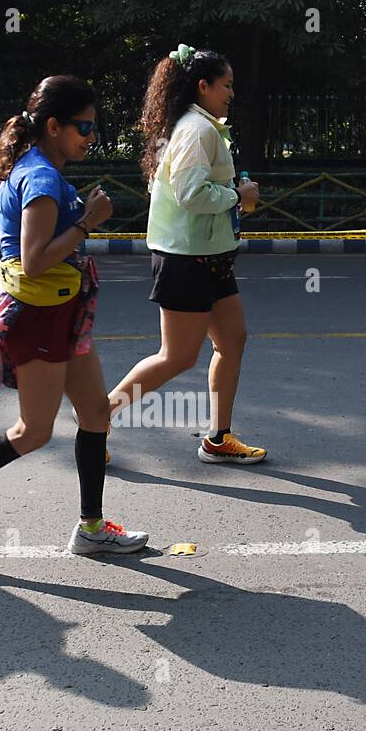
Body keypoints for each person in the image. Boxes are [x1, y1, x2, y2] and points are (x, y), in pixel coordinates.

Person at [0, 75, 148, 555]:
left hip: (61, 308)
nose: (91, 137)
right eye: (84, 127)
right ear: (53, 126)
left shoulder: (30, 168)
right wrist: (85, 222)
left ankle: (91, 528)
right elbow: (34, 259)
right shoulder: (39, 176)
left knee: (96, 413)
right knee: (33, 432)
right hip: (38, 313)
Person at [105, 44, 265, 465]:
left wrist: (234, 193)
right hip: (186, 259)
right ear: (203, 86)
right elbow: (191, 193)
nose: (232, 93)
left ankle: (218, 438)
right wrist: (238, 194)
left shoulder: (202, 126)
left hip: (210, 255)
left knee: (232, 341)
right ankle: (98, 417)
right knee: (176, 357)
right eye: (226, 85)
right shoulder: (197, 129)